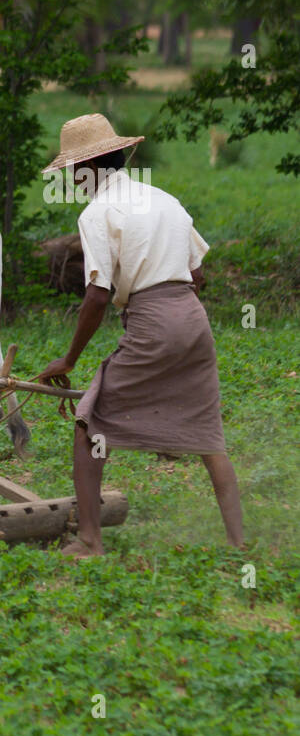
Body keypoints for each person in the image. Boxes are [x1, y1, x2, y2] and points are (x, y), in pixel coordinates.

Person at [35, 113, 244, 557]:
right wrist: (173, 305)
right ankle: (237, 542)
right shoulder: (164, 199)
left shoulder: (97, 212)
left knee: (90, 425)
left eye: (74, 172)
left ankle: (90, 539)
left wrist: (68, 360)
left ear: (86, 169)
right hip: (193, 319)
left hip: (154, 322)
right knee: (209, 437)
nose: (73, 180)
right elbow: (198, 272)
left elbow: (96, 295)